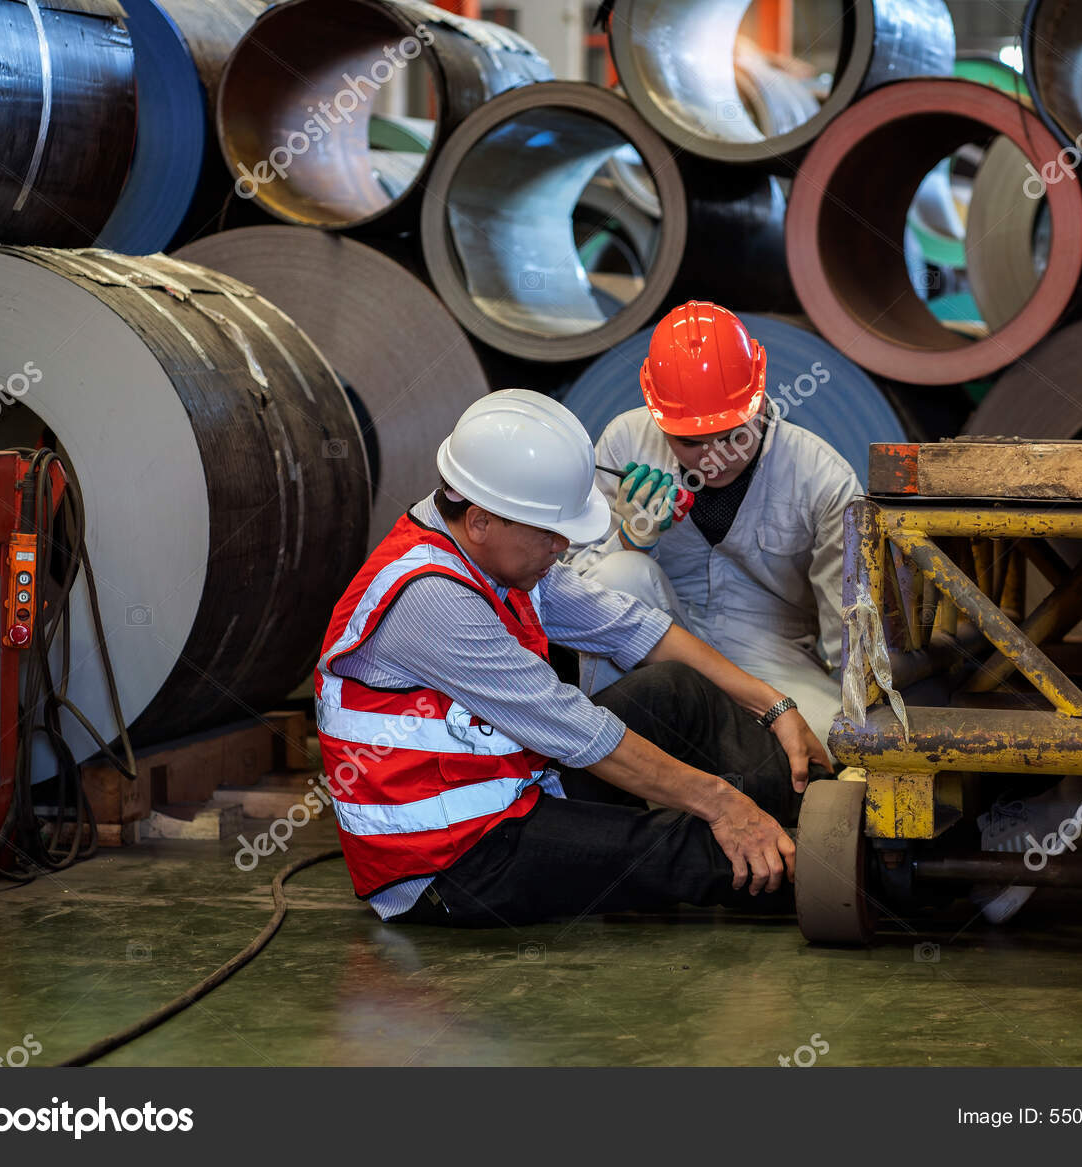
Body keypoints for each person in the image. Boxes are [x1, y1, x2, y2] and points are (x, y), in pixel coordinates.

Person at [313, 389, 831, 926]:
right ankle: (863, 871)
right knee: (687, 849)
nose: (562, 548)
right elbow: (579, 731)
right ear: (483, 520)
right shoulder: (430, 599)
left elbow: (635, 629)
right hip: (453, 860)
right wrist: (723, 804)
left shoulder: (486, 548)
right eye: (550, 534)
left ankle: (818, 814)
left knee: (676, 689)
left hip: (518, 787)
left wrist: (775, 705)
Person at [568, 301, 861, 749]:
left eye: (731, 434)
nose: (712, 457)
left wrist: (863, 721)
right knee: (618, 574)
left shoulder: (821, 478)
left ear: (759, 397)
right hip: (656, 640)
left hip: (769, 652)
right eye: (688, 442)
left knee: (835, 745)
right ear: (655, 411)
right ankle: (608, 748)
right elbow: (564, 596)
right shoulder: (625, 442)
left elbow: (849, 625)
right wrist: (629, 540)